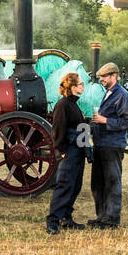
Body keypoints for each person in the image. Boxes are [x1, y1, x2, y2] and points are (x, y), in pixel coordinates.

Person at [88, 62, 128, 229]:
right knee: (98, 183)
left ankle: (111, 219)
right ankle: (101, 217)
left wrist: (105, 120)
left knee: (112, 182)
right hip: (102, 143)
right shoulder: (108, 92)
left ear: (113, 76)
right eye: (101, 77)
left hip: (112, 144)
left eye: (104, 77)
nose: (101, 80)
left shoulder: (122, 95)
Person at [45, 72, 88, 234]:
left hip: (77, 151)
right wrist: (62, 152)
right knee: (64, 186)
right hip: (68, 152)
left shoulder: (73, 104)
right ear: (73, 87)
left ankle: (66, 218)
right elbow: (57, 130)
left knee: (75, 186)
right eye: (81, 84)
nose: (83, 86)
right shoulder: (63, 105)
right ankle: (53, 222)